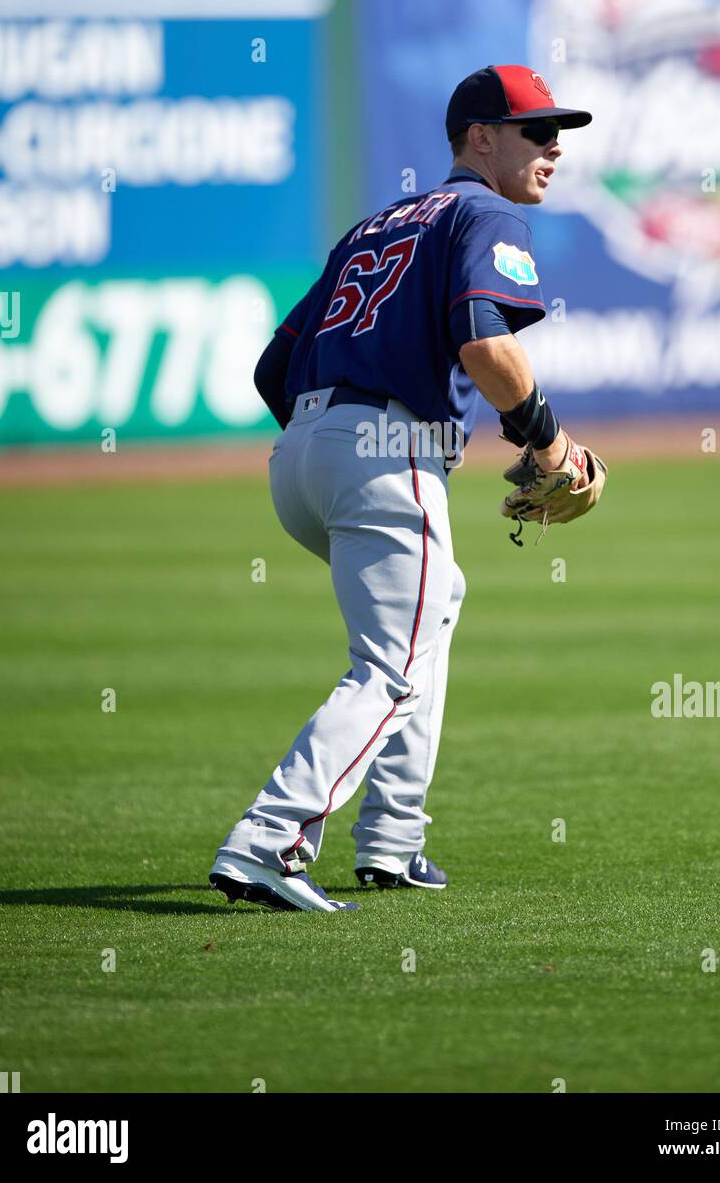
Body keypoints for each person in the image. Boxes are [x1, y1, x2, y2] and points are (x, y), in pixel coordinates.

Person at [210, 65, 601, 913]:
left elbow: (271, 367)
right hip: (384, 453)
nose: (554, 146)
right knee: (388, 668)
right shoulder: (484, 209)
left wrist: (325, 433)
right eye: (535, 130)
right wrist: (549, 441)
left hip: (304, 455)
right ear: (479, 138)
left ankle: (392, 841)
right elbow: (482, 343)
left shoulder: (372, 225)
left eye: (558, 130)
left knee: (434, 607)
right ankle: (268, 840)